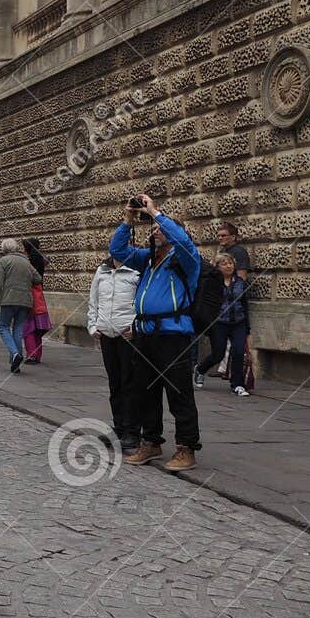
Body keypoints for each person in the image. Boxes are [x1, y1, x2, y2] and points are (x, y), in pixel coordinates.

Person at [110, 194, 201, 472]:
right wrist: (128, 220)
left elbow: (185, 242)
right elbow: (118, 250)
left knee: (179, 393)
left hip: (173, 336)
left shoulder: (185, 258)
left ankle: (186, 448)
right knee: (145, 392)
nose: (155, 230)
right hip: (146, 334)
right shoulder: (148, 258)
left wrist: (156, 213)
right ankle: (151, 442)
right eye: (154, 228)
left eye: (160, 228)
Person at [87, 253, 142, 454]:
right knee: (114, 383)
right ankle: (119, 426)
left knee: (130, 383)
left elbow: (141, 301)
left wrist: (136, 327)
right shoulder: (102, 271)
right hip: (106, 335)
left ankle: (132, 431)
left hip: (127, 336)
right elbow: (93, 300)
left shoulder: (136, 271)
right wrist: (93, 326)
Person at [194, 253, 251, 396]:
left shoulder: (240, 282)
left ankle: (237, 384)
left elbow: (244, 304)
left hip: (238, 322)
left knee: (238, 352)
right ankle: (200, 369)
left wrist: (247, 326)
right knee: (218, 354)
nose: (228, 266)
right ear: (217, 267)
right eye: (224, 263)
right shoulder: (211, 282)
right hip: (219, 323)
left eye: (230, 263)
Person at [0, 237, 40, 373]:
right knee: (18, 329)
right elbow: (38, 278)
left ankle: (15, 354)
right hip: (25, 301)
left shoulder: (3, 261)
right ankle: (15, 363)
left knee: (3, 327)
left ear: (4, 249)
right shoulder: (26, 261)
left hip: (9, 299)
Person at [207, 220, 253, 378]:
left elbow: (241, 276)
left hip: (234, 304)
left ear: (233, 237)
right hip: (221, 309)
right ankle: (223, 369)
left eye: (224, 235)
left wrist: (234, 290)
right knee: (222, 348)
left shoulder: (238, 252)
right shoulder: (222, 251)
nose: (220, 238)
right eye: (219, 235)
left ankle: (233, 376)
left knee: (235, 347)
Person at [21, 238, 51, 363]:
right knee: (37, 328)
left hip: (30, 294)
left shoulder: (28, 263)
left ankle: (31, 354)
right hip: (39, 294)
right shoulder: (40, 260)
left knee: (28, 327)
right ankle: (37, 355)